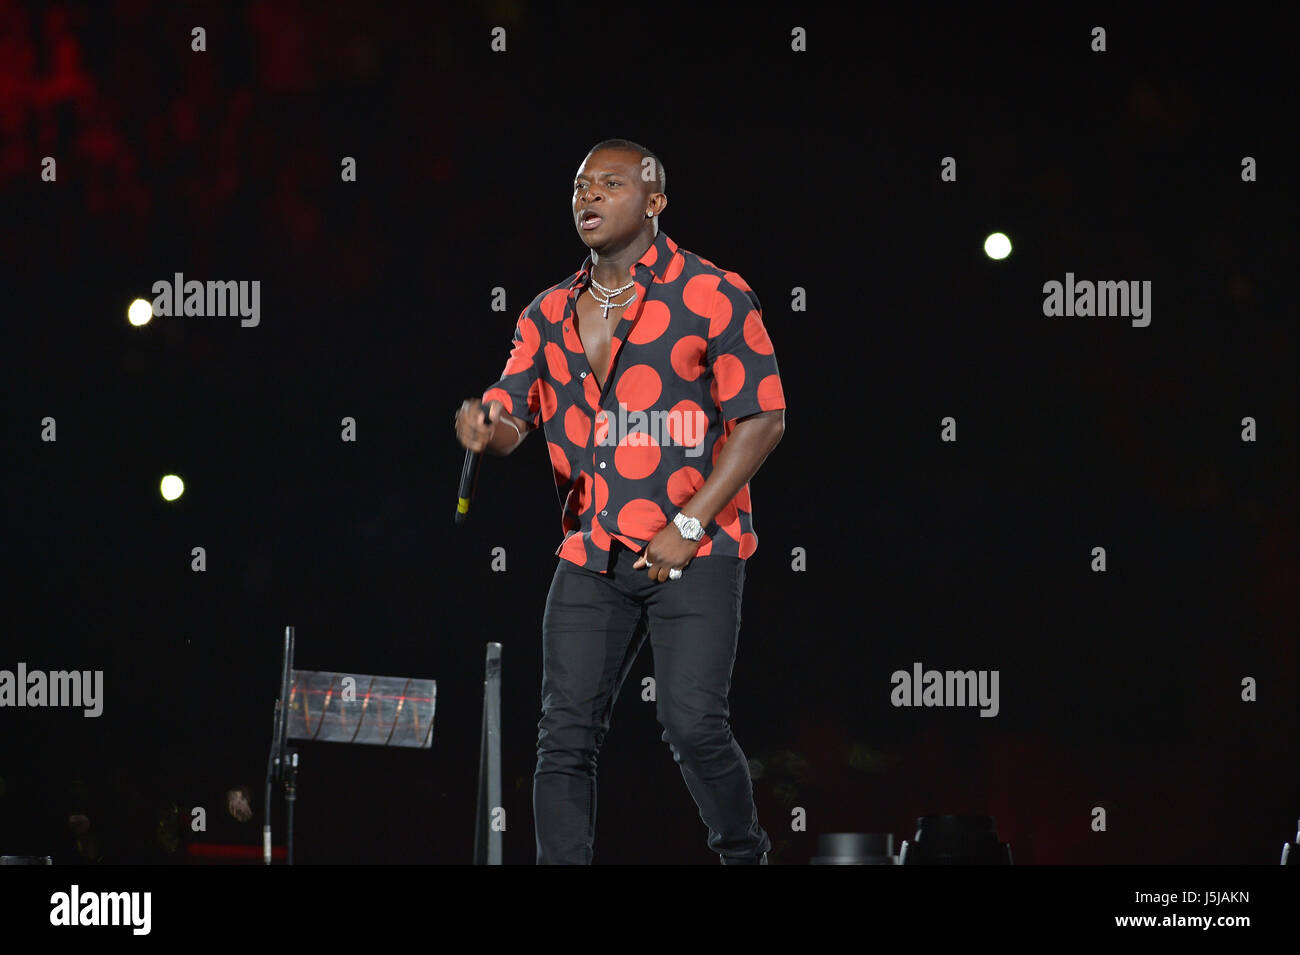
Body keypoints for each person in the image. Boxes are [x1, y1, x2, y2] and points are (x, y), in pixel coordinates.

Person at [454, 139, 786, 864]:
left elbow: (763, 417)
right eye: (579, 186)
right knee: (563, 737)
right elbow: (514, 415)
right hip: (592, 551)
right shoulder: (548, 312)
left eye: (610, 183)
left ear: (655, 201)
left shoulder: (713, 293)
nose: (589, 197)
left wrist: (690, 522)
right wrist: (484, 427)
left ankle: (743, 852)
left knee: (692, 722)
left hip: (694, 548)